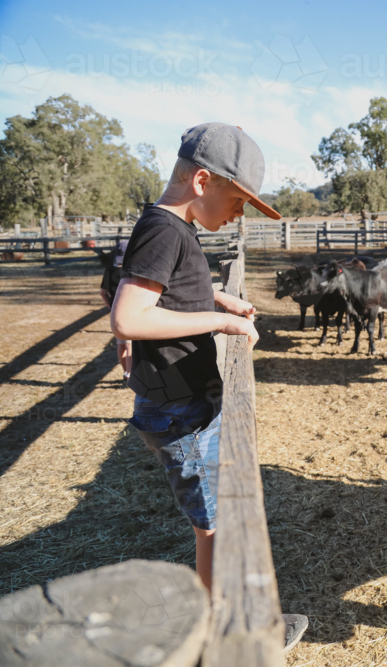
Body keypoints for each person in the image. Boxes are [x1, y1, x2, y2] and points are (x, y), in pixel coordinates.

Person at [110, 123, 308, 652]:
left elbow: (177, 285)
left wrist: (220, 298)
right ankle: (227, 637)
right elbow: (129, 317)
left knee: (215, 524)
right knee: (219, 528)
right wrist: (220, 325)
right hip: (181, 409)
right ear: (202, 180)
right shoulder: (164, 230)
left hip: (179, 402)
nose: (240, 214)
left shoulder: (174, 230)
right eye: (238, 200)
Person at [99, 240, 132, 385]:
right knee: (130, 345)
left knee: (121, 344)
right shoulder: (130, 272)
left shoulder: (109, 271)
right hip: (130, 313)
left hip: (116, 313)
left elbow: (103, 292)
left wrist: (111, 307)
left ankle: (125, 371)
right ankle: (130, 375)